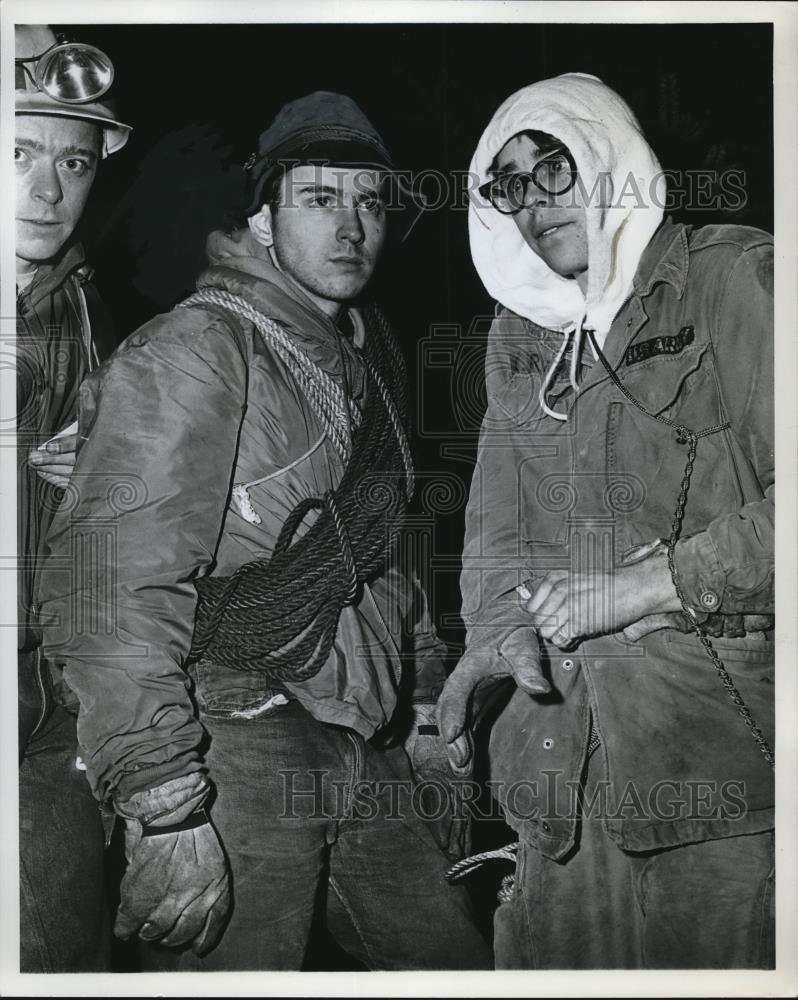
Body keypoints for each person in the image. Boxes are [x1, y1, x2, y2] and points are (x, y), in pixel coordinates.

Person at [40, 91, 491, 971]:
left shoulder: (368, 353)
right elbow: (109, 585)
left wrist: (428, 705)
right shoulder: (197, 350)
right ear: (262, 213)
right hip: (231, 734)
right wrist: (167, 802)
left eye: (369, 200)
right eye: (319, 200)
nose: (351, 225)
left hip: (367, 737)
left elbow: (387, 560)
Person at [438, 73, 774, 969]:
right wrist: (499, 638)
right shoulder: (523, 337)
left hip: (721, 765)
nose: (533, 203)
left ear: (610, 158)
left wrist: (647, 587)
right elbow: (497, 525)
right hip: (561, 777)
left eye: (553, 168)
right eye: (509, 185)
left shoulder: (731, 280)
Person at [15, 24, 131, 971]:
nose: (47, 190)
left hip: (51, 704)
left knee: (63, 958)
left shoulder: (84, 308)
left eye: (74, 160)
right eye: (16, 151)